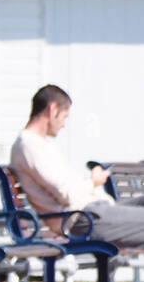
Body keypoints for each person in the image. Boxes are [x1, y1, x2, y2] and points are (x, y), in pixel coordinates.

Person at [10, 84, 144, 248]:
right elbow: (67, 194)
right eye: (65, 117)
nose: (64, 124)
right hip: (83, 219)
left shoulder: (38, 144)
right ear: (53, 109)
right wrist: (93, 181)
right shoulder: (29, 146)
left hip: (93, 212)